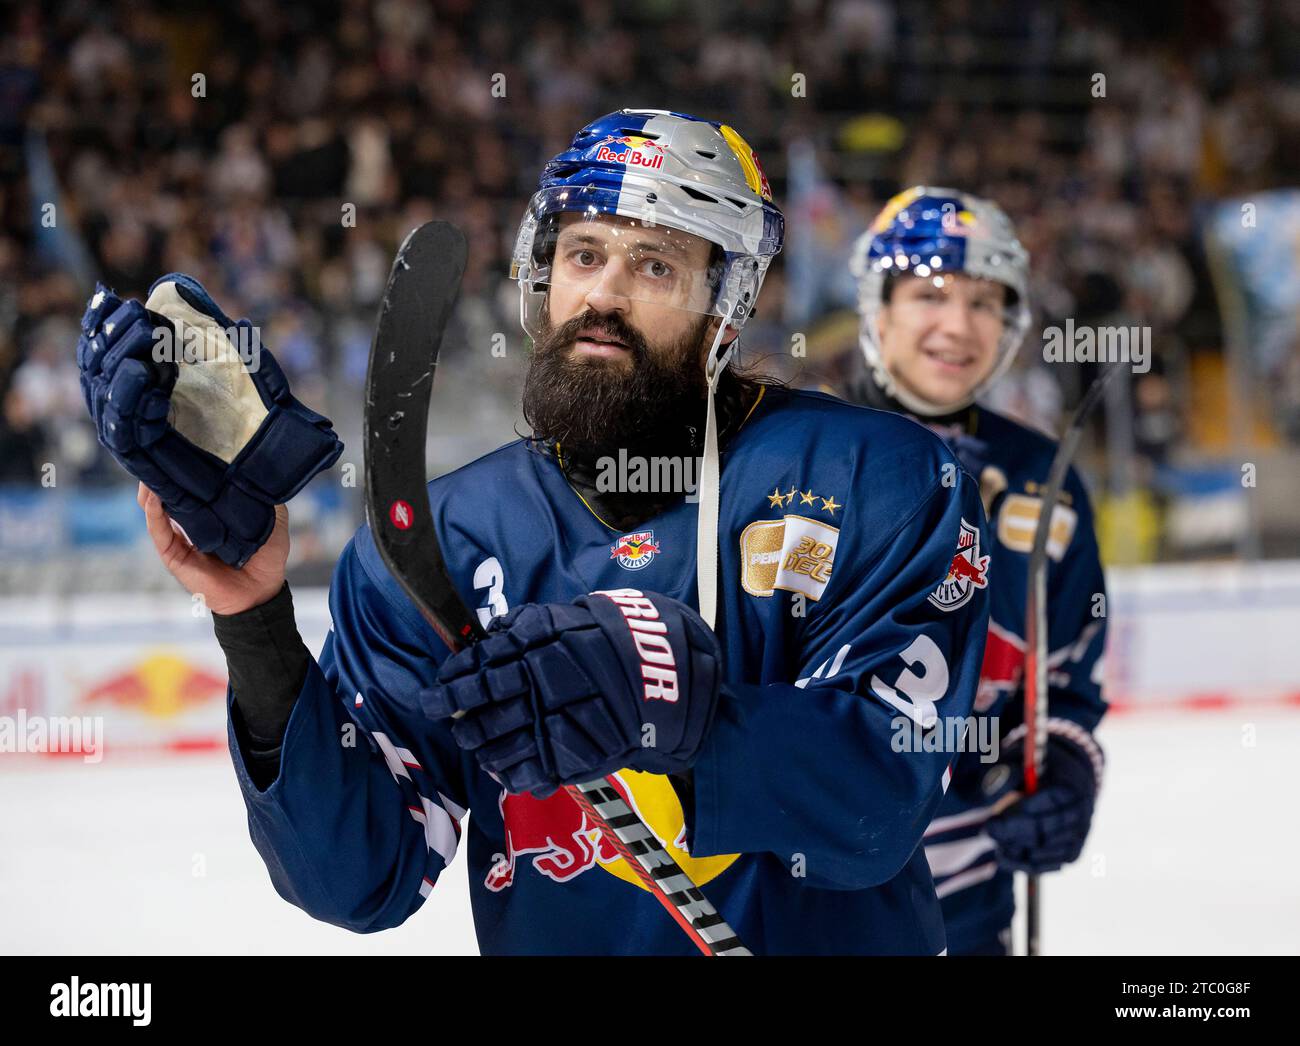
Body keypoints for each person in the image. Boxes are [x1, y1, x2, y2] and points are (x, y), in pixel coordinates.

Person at [95, 113, 990, 955]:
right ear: (541, 274)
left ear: (725, 303)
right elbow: (362, 877)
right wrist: (254, 620)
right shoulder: (437, 541)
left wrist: (669, 709)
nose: (602, 293)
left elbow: (879, 798)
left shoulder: (878, 476)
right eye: (583, 253)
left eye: (655, 266)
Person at [842, 187, 1108, 955]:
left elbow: (1065, 685)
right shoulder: (790, 454)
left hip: (970, 915)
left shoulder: (1044, 481)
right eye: (930, 294)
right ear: (877, 308)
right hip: (803, 912)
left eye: (986, 302)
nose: (959, 325)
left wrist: (1061, 773)